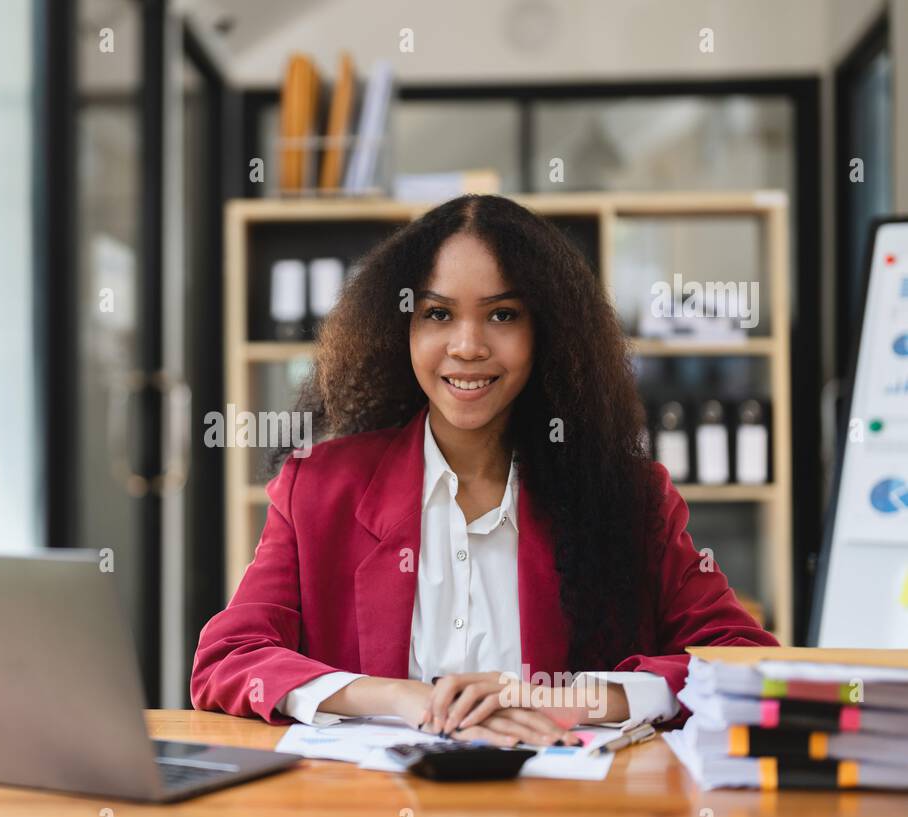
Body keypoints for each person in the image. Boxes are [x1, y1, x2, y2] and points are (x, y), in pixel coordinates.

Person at [191, 193, 778, 746]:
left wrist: (569, 698)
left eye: (501, 315)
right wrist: (400, 699)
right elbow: (229, 660)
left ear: (546, 332)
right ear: (402, 329)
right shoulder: (318, 489)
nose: (467, 346)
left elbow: (741, 658)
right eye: (438, 314)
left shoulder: (629, 496)